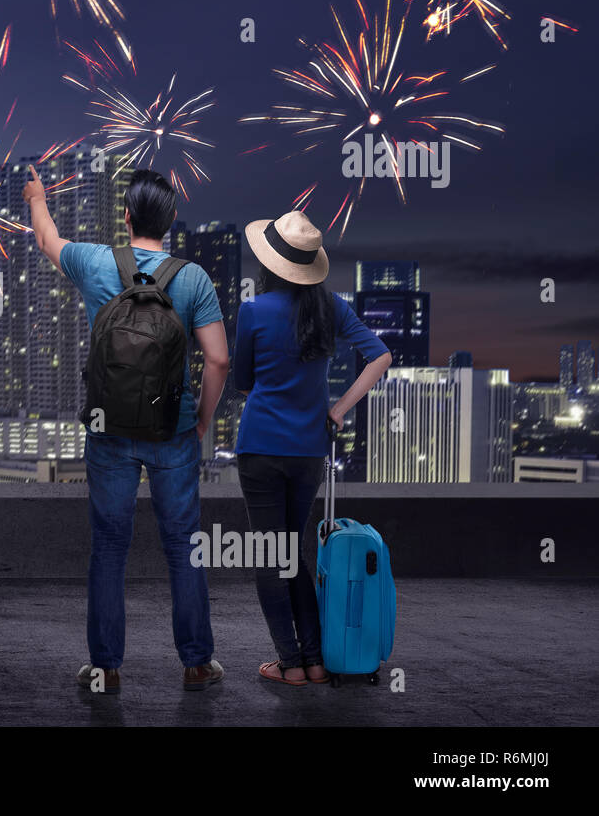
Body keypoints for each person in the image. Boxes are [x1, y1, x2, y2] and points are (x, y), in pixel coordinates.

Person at [24, 166, 230, 693]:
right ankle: (196, 663)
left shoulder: (95, 261)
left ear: (126, 216)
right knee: (183, 544)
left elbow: (46, 239)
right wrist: (202, 420)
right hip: (173, 433)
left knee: (109, 545)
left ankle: (106, 667)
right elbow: (219, 361)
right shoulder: (193, 279)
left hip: (108, 428)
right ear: (171, 221)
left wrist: (37, 197)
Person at [233, 210, 392, 686]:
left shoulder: (254, 311)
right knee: (292, 553)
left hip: (260, 446)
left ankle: (290, 665)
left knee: (270, 555)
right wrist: (339, 408)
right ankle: (316, 660)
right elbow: (380, 355)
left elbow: (242, 382)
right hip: (309, 450)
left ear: (270, 263)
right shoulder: (331, 307)